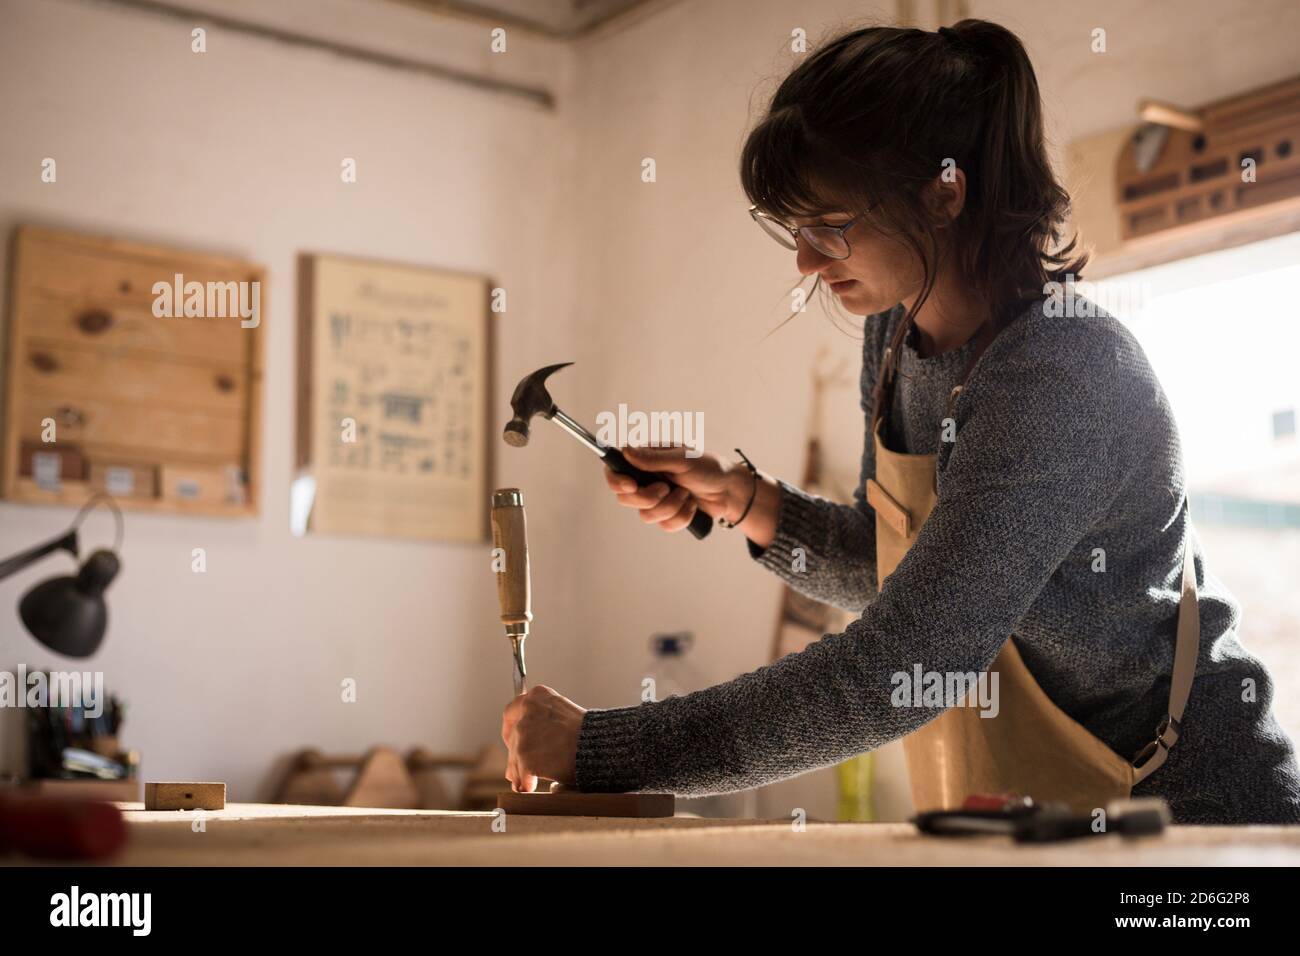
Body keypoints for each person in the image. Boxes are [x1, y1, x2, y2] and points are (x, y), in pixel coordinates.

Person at [500, 19, 1300, 824]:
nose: (806, 261)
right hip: (1051, 817)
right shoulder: (895, 338)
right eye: (793, 228)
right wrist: (742, 501)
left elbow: (903, 665)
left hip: (1199, 819)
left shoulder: (1061, 373)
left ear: (944, 192)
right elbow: (904, 573)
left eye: (830, 225)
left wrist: (603, 750)